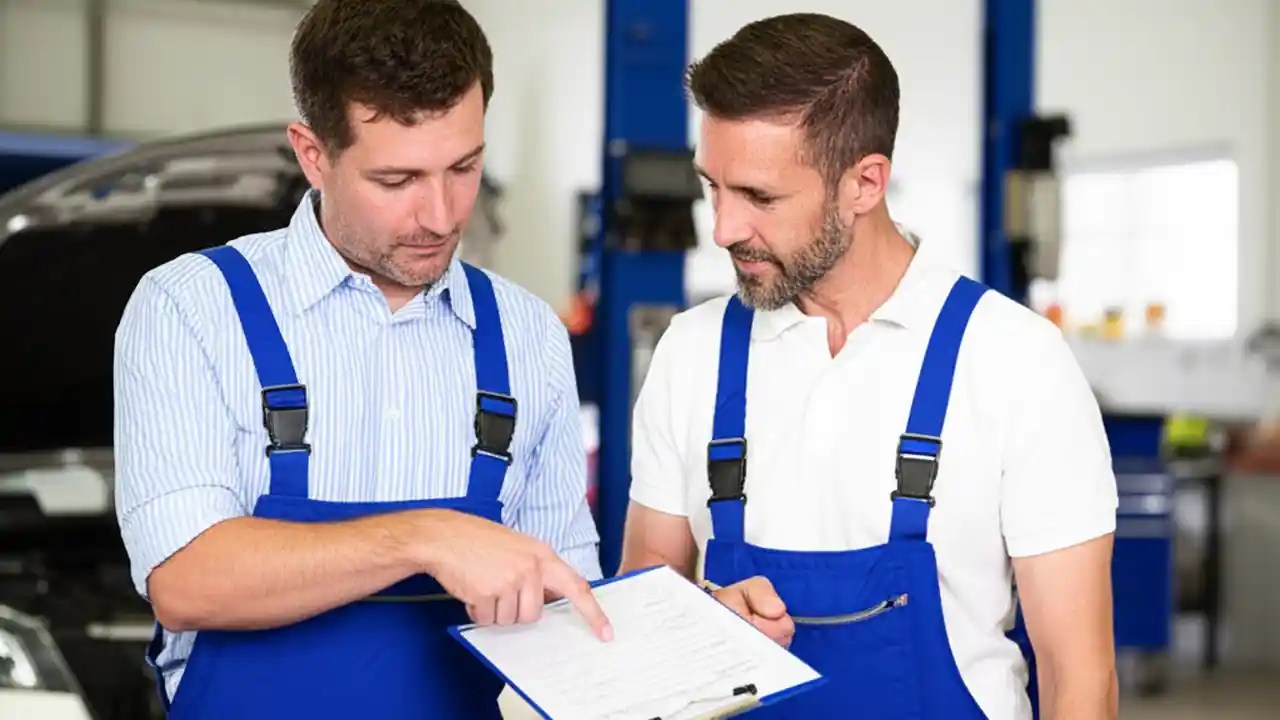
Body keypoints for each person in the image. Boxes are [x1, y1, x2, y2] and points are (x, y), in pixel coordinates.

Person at [112, 2, 609, 718]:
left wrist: (702, 635)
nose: (440, 215)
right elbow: (188, 580)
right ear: (313, 154)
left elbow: (569, 598)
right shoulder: (191, 310)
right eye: (397, 181)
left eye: (464, 167)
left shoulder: (527, 334)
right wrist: (426, 537)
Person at [619, 13, 1118, 720]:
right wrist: (701, 621)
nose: (725, 228)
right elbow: (641, 604)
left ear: (865, 182)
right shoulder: (690, 352)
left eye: (760, 197)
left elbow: (1080, 684)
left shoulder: (1015, 362)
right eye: (713, 188)